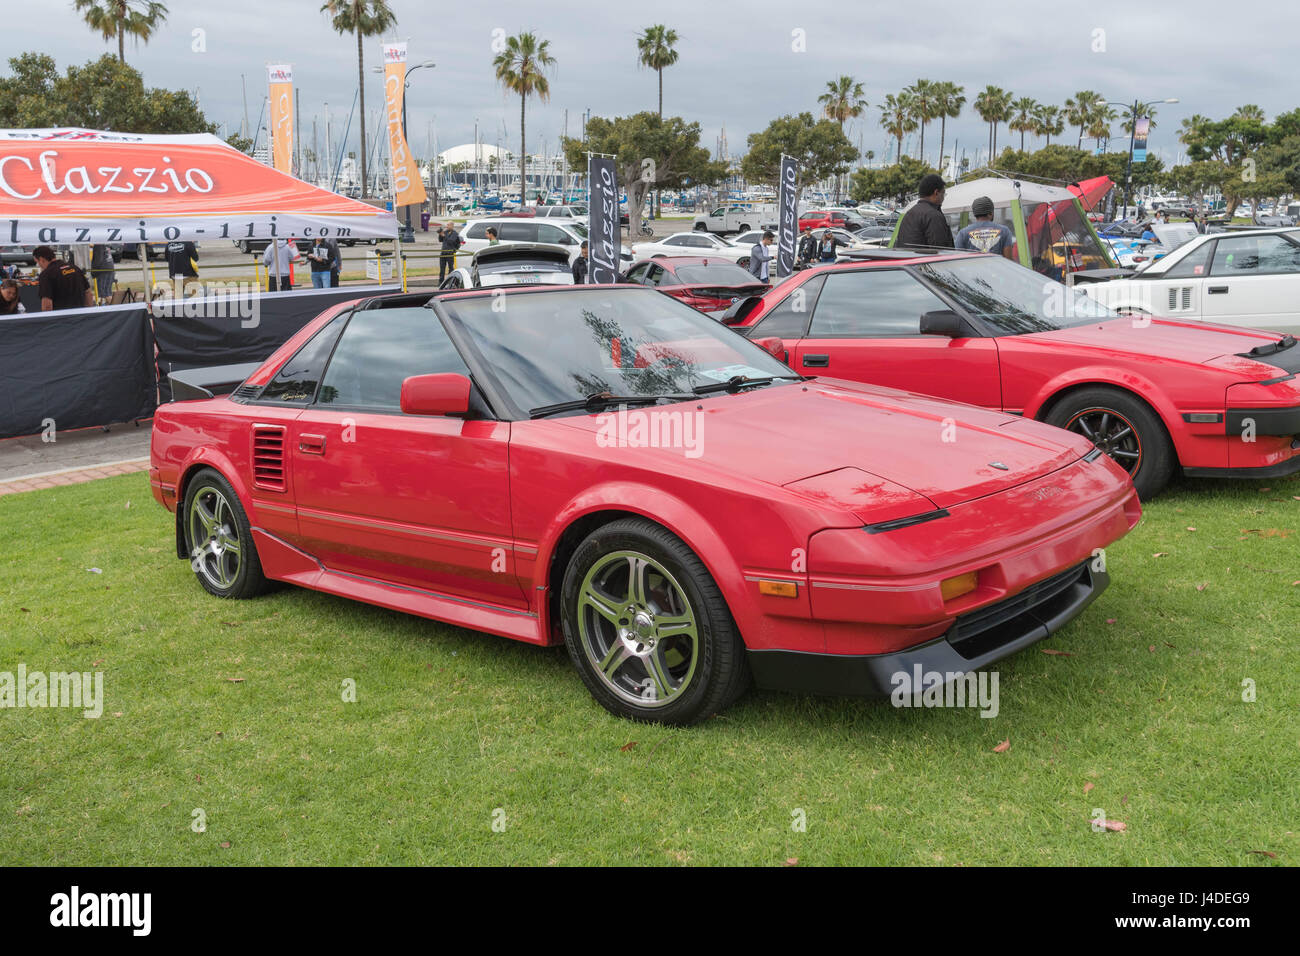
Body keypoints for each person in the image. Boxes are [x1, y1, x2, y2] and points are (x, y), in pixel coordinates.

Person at [895, 173, 954, 249]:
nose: (943, 197)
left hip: (907, 259)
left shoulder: (909, 212)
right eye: (943, 193)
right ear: (936, 193)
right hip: (926, 260)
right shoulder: (933, 215)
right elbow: (940, 249)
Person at [33, 246, 93, 311]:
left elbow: (47, 305)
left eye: (37, 262)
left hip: (61, 318)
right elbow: (88, 293)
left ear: (42, 259)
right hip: (79, 316)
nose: (38, 265)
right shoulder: (75, 268)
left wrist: (48, 320)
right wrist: (87, 312)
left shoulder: (46, 274)